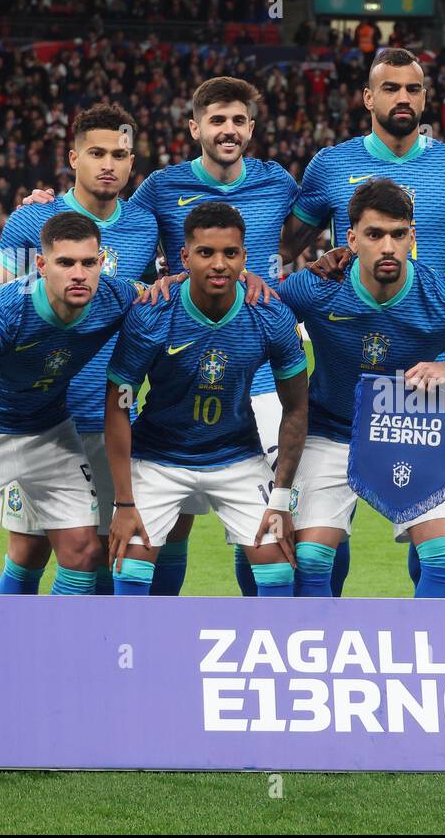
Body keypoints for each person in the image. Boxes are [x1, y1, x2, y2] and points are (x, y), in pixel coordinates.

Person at [279, 48, 445, 596]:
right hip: (344, 379)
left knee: (437, 550)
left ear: (424, 97)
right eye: (390, 88)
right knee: (320, 550)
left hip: (423, 378)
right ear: (369, 97)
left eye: (412, 89)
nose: (402, 98)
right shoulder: (330, 165)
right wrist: (315, 265)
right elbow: (284, 245)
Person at [265, 178, 445, 598]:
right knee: (309, 559)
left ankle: (429, 659)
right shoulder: (318, 287)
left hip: (414, 430)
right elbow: (254, 318)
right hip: (332, 431)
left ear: (412, 237)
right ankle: (320, 657)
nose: (387, 247)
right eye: (374, 235)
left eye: (398, 234)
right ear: (350, 239)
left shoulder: (441, 298)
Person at [0, 103, 160, 596]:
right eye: (96, 153)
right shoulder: (35, 220)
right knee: (28, 549)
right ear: (73, 157)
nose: (108, 164)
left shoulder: (144, 227)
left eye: (120, 154)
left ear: (132, 162)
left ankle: (78, 662)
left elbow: (147, 305)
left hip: (109, 413)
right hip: (41, 416)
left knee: (95, 551)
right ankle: (18, 654)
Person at [0, 212, 147, 595]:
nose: (78, 273)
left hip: (49, 431)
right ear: (42, 265)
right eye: (65, 263)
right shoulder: (0, 315)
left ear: (101, 263)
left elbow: (168, 292)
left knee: (84, 551)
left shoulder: (115, 297)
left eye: (88, 262)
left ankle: (61, 653)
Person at [104, 203, 309, 596]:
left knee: (279, 565)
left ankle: (263, 654)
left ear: (244, 258)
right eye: (205, 253)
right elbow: (119, 404)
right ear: (184, 257)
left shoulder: (270, 316)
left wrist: (280, 496)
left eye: (230, 253)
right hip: (158, 458)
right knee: (129, 564)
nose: (219, 264)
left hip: (237, 456)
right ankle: (135, 655)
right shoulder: (151, 314)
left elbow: (297, 407)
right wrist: (125, 502)